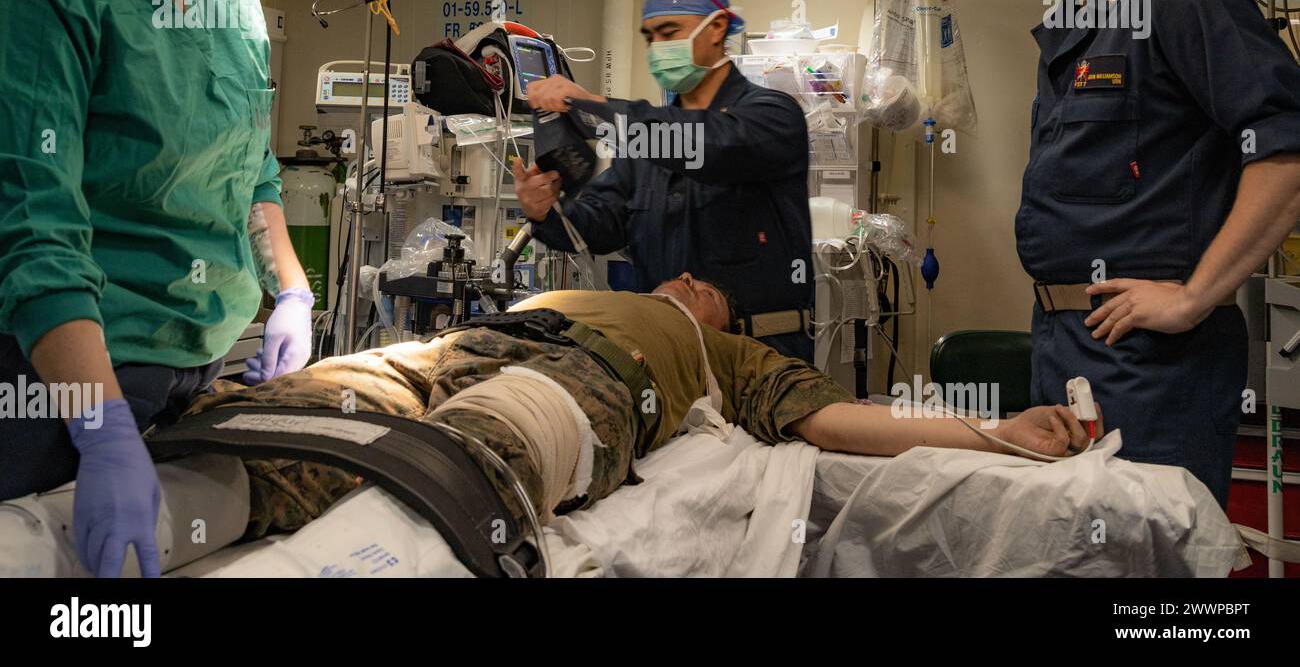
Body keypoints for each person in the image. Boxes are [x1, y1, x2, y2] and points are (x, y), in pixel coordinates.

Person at [0, 0, 314, 576]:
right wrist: (98, 431)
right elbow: (37, 234)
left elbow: (252, 164)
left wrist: (291, 290)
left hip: (209, 359)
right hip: (71, 370)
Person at [180, 274, 1097, 543]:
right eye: (686, 276)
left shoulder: (719, 355)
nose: (693, 281)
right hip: (468, 344)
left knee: (468, 456)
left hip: (596, 381)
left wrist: (996, 430)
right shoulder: (568, 290)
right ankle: (165, 502)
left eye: (708, 289)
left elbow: (832, 424)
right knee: (291, 413)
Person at [1011, 0, 1300, 506]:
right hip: (1063, 340)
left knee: (1149, 559)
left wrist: (1196, 296)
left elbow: (1286, 150)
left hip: (1150, 355)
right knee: (1071, 542)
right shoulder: (1078, 20)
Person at [514, 0, 815, 361]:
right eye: (651, 36)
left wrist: (596, 107)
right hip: (668, 355)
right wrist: (545, 210)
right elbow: (597, 227)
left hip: (758, 356)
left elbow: (706, 144)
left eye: (670, 32)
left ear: (717, 28)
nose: (657, 46)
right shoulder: (645, 150)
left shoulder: (772, 116)